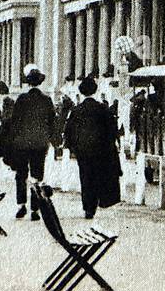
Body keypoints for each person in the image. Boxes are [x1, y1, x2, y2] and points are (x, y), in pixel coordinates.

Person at [9, 63, 62, 220]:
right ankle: (35, 209)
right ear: (40, 83)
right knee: (37, 175)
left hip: (22, 143)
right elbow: (52, 122)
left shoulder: (21, 99)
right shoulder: (46, 100)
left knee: (21, 174)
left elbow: (15, 122)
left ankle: (21, 204)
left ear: (28, 83)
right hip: (39, 143)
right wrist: (54, 140)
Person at [65, 77, 122, 221]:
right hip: (100, 150)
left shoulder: (76, 110)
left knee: (85, 177)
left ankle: (88, 208)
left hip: (83, 151)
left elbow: (69, 130)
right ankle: (96, 202)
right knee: (98, 176)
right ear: (95, 90)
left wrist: (73, 148)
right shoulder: (102, 108)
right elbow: (112, 129)